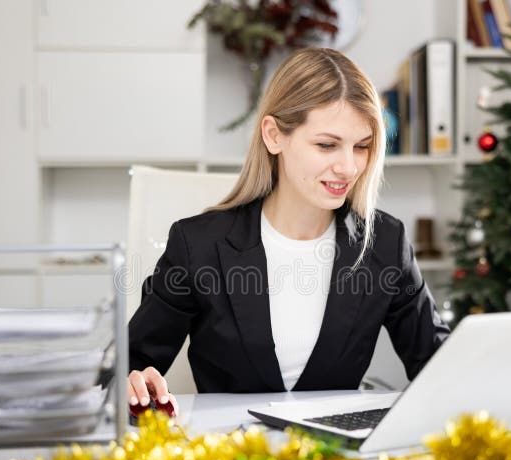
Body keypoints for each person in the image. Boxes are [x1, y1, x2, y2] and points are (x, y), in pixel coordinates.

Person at [127, 47, 450, 415]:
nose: (348, 167)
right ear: (274, 136)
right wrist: (133, 381)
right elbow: (128, 366)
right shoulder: (198, 244)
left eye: (362, 147)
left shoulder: (385, 243)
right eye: (327, 145)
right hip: (232, 458)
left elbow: (440, 364)